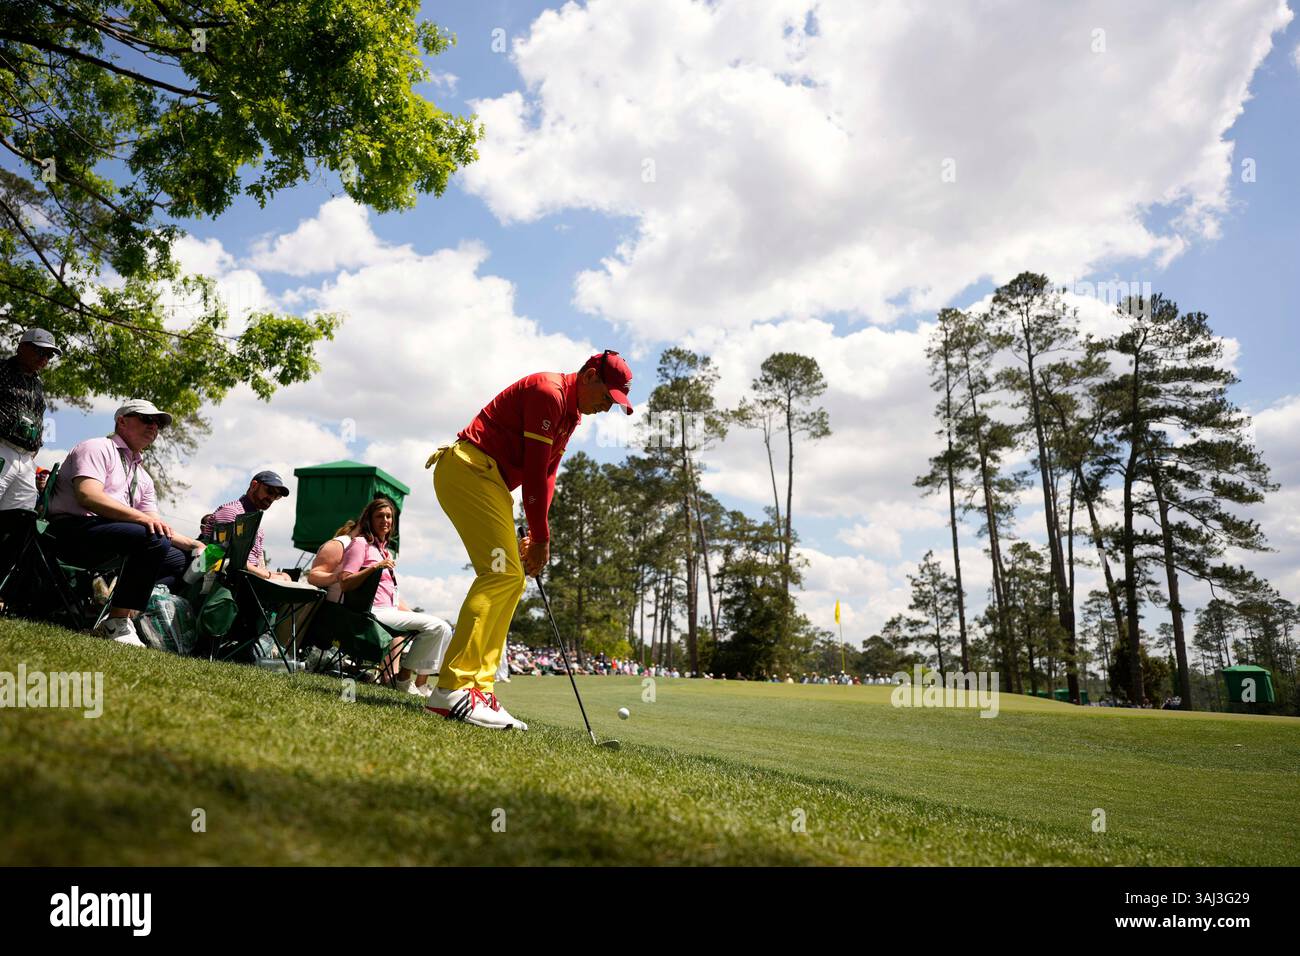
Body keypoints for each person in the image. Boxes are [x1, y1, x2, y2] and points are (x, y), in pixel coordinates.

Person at [424, 349, 634, 730]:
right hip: (468, 470)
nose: (607, 407)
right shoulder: (548, 392)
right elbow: (534, 475)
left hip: (489, 480)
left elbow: (549, 477)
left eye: (614, 403)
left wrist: (537, 533)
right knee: (500, 575)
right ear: (588, 376)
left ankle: (478, 688)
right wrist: (540, 538)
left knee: (511, 578)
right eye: (606, 397)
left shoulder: (570, 414)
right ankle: (452, 690)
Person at [47, 400, 202, 645]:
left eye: (159, 423)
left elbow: (155, 524)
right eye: (147, 419)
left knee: (182, 560)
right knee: (153, 539)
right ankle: (116, 623)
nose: (154, 426)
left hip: (112, 536)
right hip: (72, 531)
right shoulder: (97, 447)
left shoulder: (144, 477)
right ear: (122, 421)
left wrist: (195, 545)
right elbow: (88, 495)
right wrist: (141, 518)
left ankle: (123, 611)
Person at [339, 497, 452, 698]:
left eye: (389, 516)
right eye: (379, 516)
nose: (385, 520)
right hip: (371, 612)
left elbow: (390, 592)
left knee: (444, 629)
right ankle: (403, 679)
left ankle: (420, 684)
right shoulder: (360, 544)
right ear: (369, 520)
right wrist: (374, 568)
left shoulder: (385, 551)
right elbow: (345, 582)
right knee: (438, 626)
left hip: (390, 610)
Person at [0, 328, 59, 512]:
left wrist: (35, 448)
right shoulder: (2, 369)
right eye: (41, 351)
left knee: (20, 516)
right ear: (22, 347)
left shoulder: (37, 382)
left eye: (49, 355)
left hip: (26, 458)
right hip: (2, 447)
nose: (45, 359)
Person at [201, 471, 294, 581]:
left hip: (244, 581)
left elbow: (256, 566)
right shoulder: (231, 512)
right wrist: (269, 576)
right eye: (269, 491)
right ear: (254, 485)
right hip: (222, 584)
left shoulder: (257, 526)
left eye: (276, 496)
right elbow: (227, 559)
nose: (271, 498)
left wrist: (277, 575)